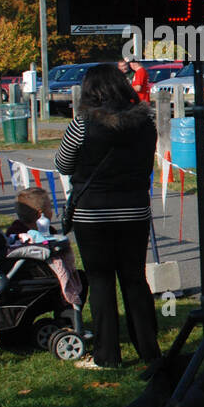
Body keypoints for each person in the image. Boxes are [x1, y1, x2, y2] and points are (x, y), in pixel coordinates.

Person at [54, 63, 161, 369]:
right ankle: (149, 351)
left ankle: (107, 355)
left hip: (93, 213)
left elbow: (63, 163)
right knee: (135, 279)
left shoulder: (82, 124)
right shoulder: (146, 124)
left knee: (101, 281)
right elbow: (146, 164)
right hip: (134, 210)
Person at [7, 187, 83, 309]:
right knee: (79, 278)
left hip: (29, 279)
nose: (52, 211)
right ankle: (67, 315)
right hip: (35, 277)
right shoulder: (20, 235)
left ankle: (65, 317)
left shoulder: (13, 231)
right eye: (50, 207)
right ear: (40, 213)